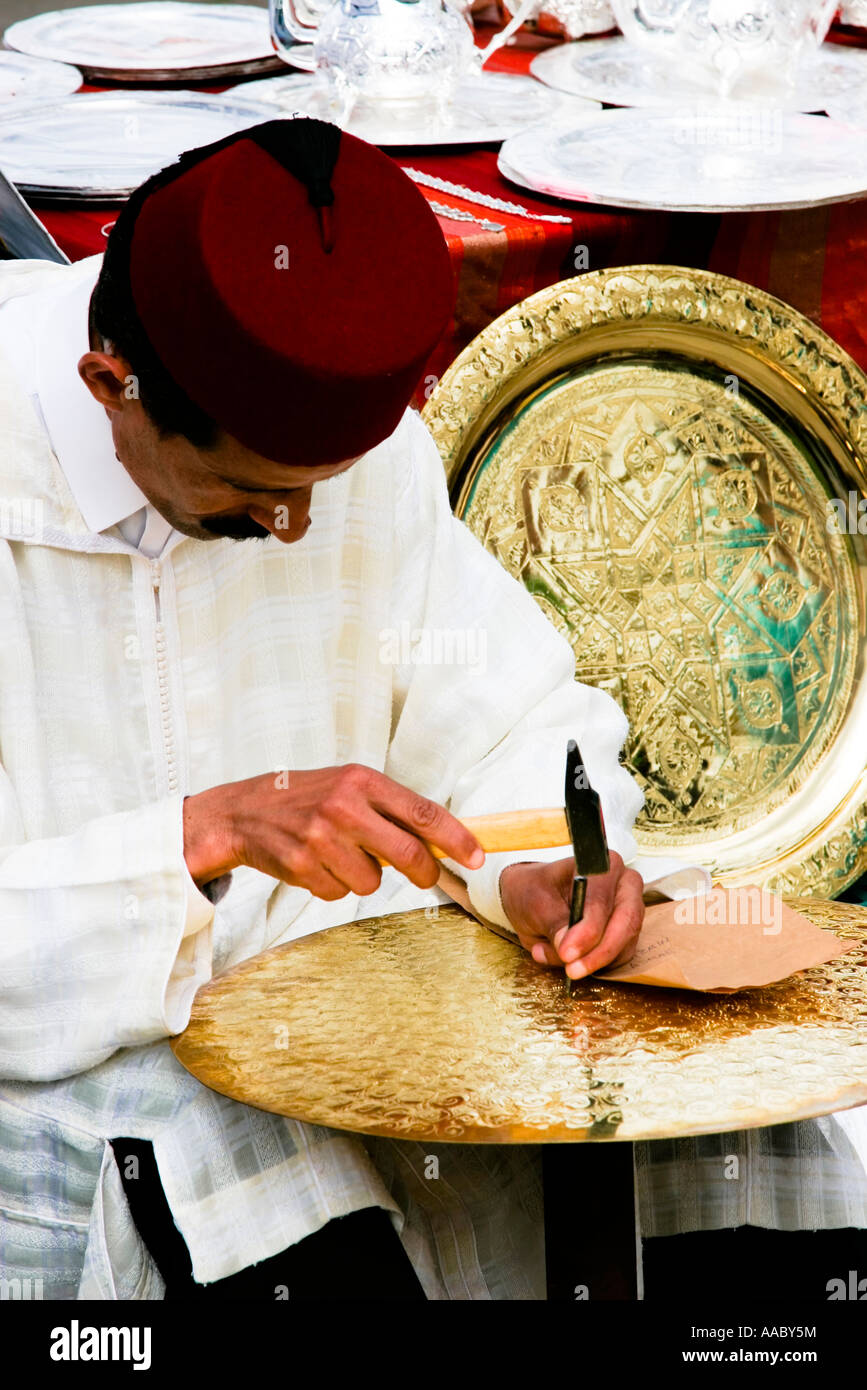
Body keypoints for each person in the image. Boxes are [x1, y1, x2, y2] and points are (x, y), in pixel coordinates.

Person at [0, 117, 651, 1299]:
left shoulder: (345, 457)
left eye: (322, 493)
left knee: (718, 1138)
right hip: (65, 1072)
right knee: (269, 1200)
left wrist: (540, 862)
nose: (298, 530)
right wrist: (199, 839)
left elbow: (509, 711)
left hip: (341, 1027)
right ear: (113, 390)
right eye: (255, 498)